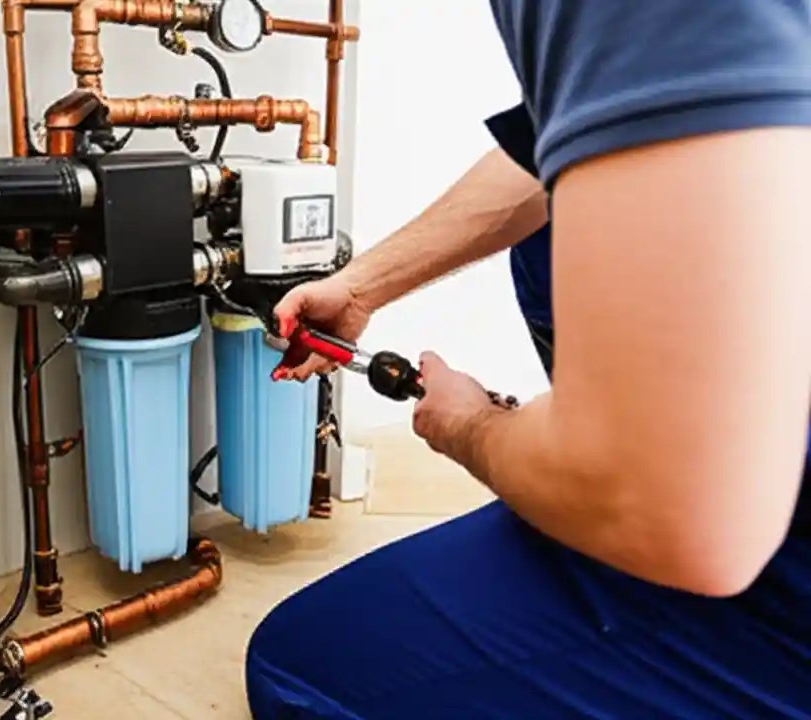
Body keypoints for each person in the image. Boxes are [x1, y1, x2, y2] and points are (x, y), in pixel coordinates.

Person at [247, 3, 811, 717]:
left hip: (758, 565)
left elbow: (682, 518)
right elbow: (574, 133)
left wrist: (470, 428)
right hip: (732, 489)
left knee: (304, 669)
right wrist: (363, 285)